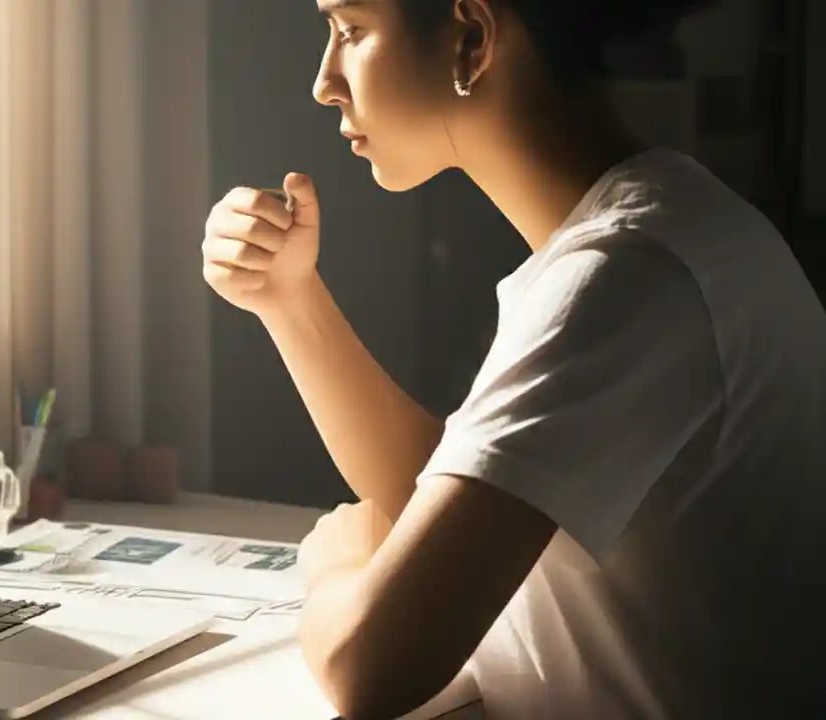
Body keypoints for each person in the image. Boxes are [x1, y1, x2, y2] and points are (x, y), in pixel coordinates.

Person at [201, 0, 825, 718]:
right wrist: (290, 299)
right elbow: (461, 504)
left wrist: (335, 567)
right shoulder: (666, 229)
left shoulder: (629, 278)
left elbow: (366, 668)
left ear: (471, 37)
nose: (324, 81)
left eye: (351, 30)